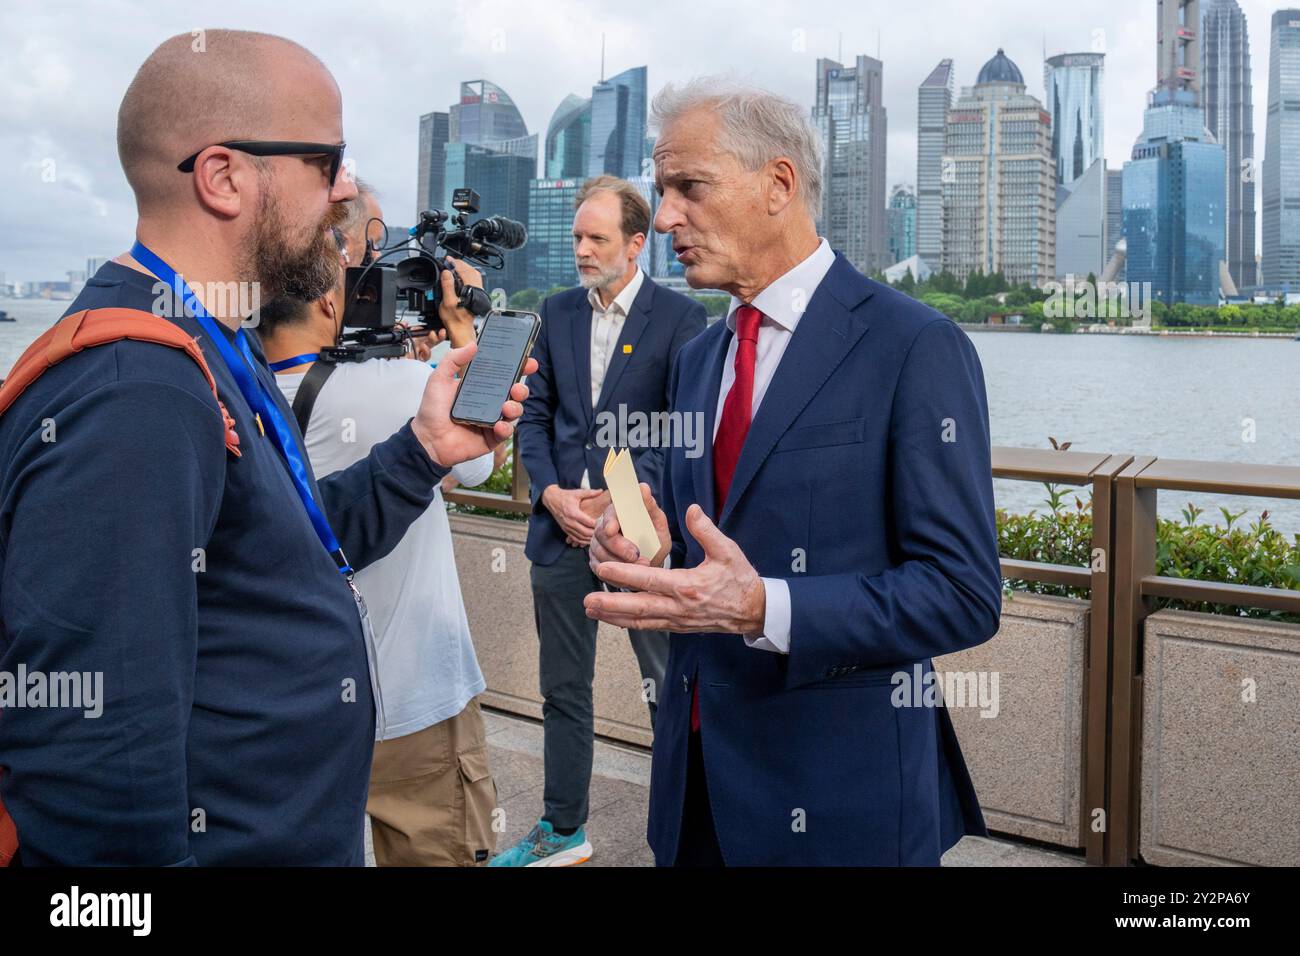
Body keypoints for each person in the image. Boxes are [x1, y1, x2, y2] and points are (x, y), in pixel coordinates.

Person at [0, 30, 532, 866]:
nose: (346, 191)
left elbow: (291, 552)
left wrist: (425, 449)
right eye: (329, 160)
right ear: (223, 177)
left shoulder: (217, 343)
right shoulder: (136, 392)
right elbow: (94, 768)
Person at [585, 78, 1003, 866]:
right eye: (661, 189)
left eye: (689, 188)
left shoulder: (914, 346)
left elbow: (963, 595)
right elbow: (707, 543)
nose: (666, 216)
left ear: (778, 184)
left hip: (842, 801)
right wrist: (643, 537)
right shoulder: (701, 356)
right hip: (694, 793)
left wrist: (761, 607)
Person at [259, 181, 504, 867]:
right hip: (411, 702)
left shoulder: (239, 394)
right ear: (330, 292)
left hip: (297, 706)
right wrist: (461, 330)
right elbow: (480, 464)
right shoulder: (399, 389)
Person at [502, 175, 705, 865]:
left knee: (666, 692)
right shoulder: (554, 313)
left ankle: (685, 837)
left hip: (638, 536)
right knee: (562, 690)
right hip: (559, 533)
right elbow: (533, 413)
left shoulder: (681, 320)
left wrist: (624, 503)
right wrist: (553, 493)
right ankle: (563, 832)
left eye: (596, 239)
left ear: (636, 242)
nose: (582, 250)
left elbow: (681, 428)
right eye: (577, 238)